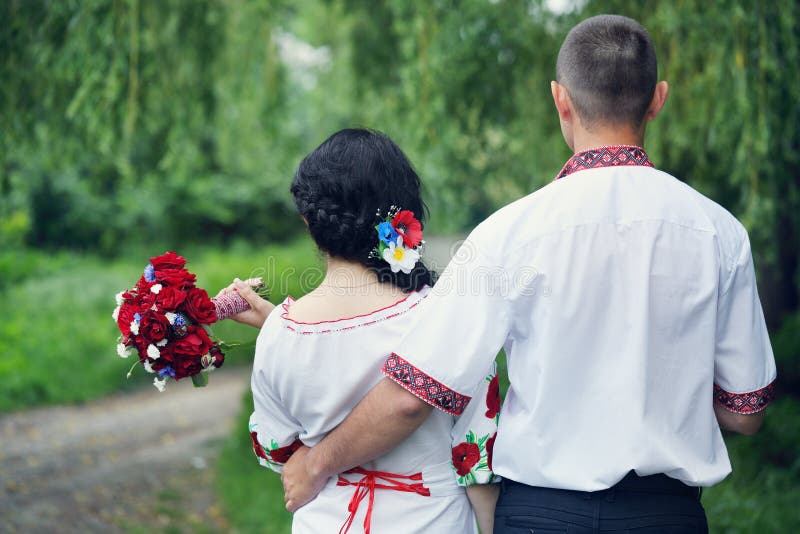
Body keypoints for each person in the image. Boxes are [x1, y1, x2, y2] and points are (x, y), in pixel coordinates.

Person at [280, 15, 777, 533]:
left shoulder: (508, 233)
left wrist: (316, 463)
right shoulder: (718, 232)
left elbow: (413, 393)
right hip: (665, 515)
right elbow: (746, 411)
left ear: (560, 99)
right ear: (658, 99)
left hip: (542, 516)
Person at [223, 128, 501, 533]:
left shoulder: (281, 334)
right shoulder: (446, 317)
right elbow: (477, 458)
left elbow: (276, 452)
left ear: (309, 222)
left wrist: (278, 332)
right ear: (405, 218)